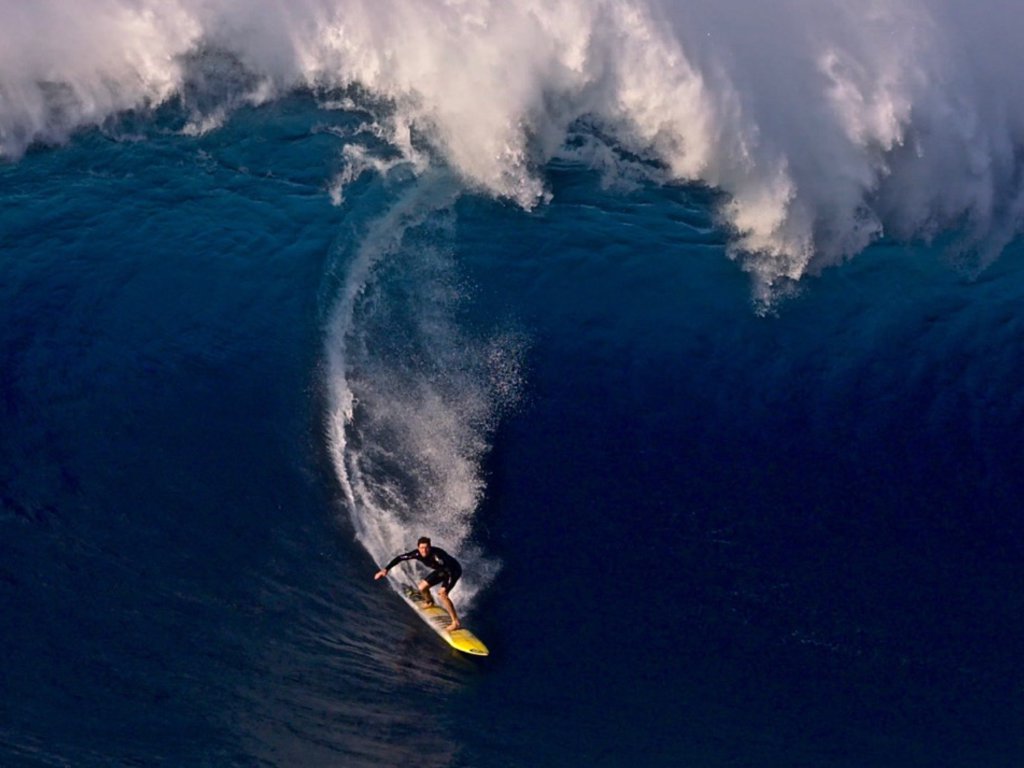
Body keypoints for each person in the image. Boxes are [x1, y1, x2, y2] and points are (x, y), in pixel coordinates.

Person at [375, 537, 463, 631]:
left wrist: (444, 586)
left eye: (426, 548)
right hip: (442, 570)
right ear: (418, 548)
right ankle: (429, 602)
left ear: (430, 547)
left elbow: (448, 567)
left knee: (442, 594)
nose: (424, 550)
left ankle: (455, 622)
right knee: (422, 587)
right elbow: (400, 558)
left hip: (453, 570)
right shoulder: (416, 554)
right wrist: (386, 569)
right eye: (421, 548)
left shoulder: (438, 555)